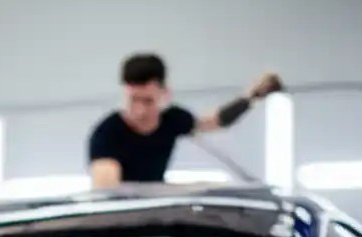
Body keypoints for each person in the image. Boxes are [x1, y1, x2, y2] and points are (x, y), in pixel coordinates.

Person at [88, 53, 283, 188]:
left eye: (148, 101)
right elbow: (108, 193)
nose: (139, 111)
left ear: (165, 95)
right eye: (133, 100)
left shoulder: (172, 120)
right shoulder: (107, 134)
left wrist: (251, 97)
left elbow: (216, 121)